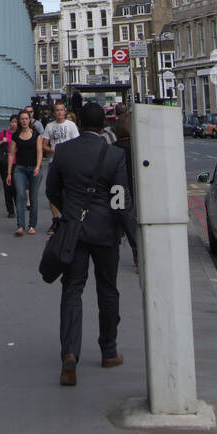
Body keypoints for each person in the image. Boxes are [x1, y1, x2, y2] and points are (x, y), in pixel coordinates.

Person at [46, 102, 135, 387]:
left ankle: (70, 353)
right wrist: (135, 240)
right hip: (105, 233)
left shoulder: (64, 152)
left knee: (72, 289)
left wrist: (69, 211)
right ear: (102, 127)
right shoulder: (113, 155)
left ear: (80, 123)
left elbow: (51, 190)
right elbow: (120, 200)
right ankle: (108, 351)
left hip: (74, 231)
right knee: (108, 290)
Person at [42, 100, 79, 236]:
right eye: (57, 110)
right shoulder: (50, 127)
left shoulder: (71, 126)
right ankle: (55, 218)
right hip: (54, 161)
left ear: (65, 111)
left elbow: (76, 143)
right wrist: (53, 151)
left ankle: (68, 217)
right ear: (54, 113)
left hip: (69, 162)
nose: (59, 112)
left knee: (69, 191)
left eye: (61, 110)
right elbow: (44, 144)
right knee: (52, 190)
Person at [7, 109, 43, 235]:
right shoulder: (15, 136)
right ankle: (20, 226)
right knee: (21, 196)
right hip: (20, 169)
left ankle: (32, 225)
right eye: (21, 119)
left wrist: (38, 167)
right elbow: (11, 155)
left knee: (33, 197)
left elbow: (39, 152)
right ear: (19, 121)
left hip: (34, 168)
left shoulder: (36, 134)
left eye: (26, 119)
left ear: (30, 120)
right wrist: (9, 173)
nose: (24, 121)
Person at [0, 115, 20, 218]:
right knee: (7, 187)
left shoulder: (20, 134)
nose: (13, 124)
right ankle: (10, 210)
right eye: (12, 122)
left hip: (16, 163)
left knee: (15, 186)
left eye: (15, 122)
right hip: (5, 163)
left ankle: (18, 206)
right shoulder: (4, 133)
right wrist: (3, 141)